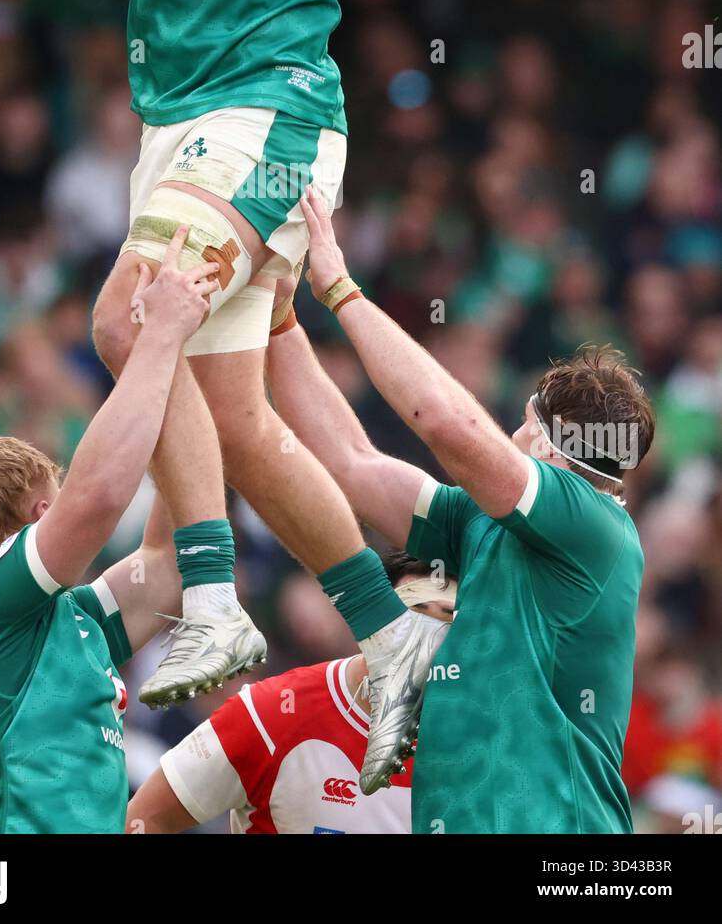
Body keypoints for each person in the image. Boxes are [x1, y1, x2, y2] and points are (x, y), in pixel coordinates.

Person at [92, 0, 593, 782]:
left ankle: (208, 596)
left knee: (126, 318)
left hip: (276, 117)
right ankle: (388, 637)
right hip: (175, 127)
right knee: (243, 412)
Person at [263, 185, 652, 831]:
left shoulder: (594, 524)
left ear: (552, 446)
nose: (509, 431)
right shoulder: (484, 522)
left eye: (524, 422)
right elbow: (350, 463)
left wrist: (339, 288)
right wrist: (282, 323)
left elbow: (446, 423)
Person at [0, 231, 228, 834]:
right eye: (56, 508)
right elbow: (99, 500)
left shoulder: (64, 620)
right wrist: (157, 338)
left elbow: (168, 562)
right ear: (38, 516)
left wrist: (184, 370)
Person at [126, 555, 456, 835]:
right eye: (413, 611)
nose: (426, 634)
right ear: (373, 619)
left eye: (446, 618)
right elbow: (142, 821)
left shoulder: (491, 746)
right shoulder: (269, 712)